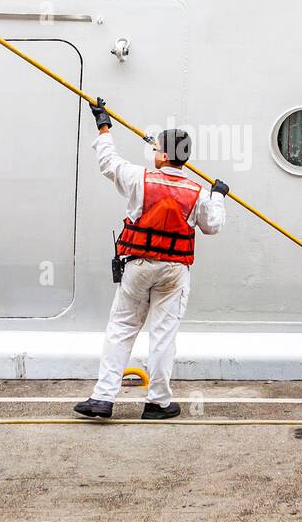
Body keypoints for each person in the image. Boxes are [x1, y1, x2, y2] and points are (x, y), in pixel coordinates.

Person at [74, 98, 228, 420]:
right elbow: (212, 225)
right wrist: (218, 195)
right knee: (163, 335)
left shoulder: (139, 178)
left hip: (138, 266)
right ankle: (158, 403)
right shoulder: (196, 191)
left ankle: (103, 398)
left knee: (121, 329)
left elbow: (108, 162)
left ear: (163, 155)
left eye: (156, 147)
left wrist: (104, 125)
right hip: (174, 272)